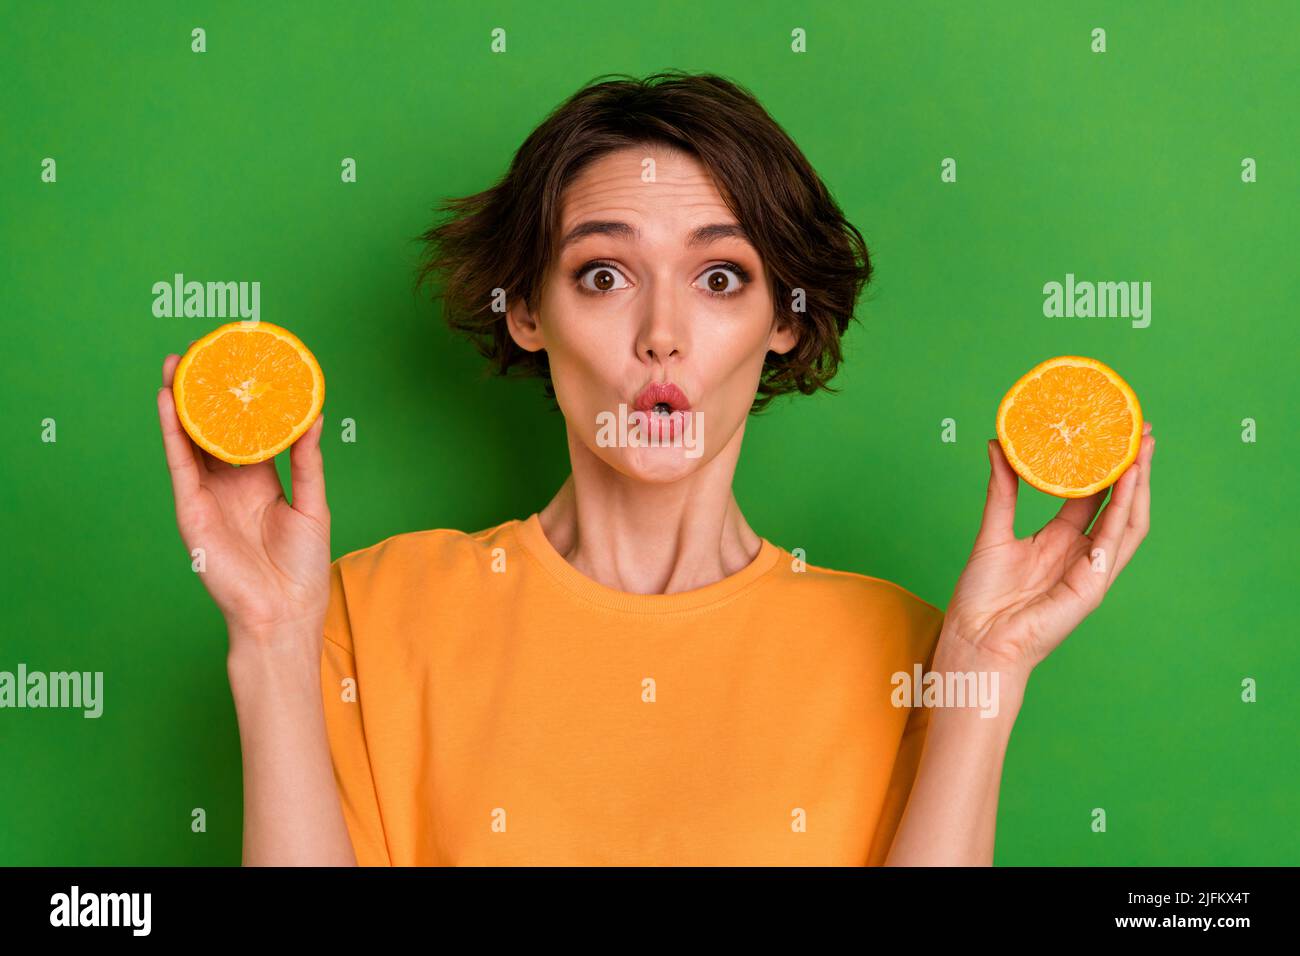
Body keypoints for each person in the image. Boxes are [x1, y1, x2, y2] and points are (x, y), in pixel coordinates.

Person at [156, 71, 1154, 866]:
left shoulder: (905, 650)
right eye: (603, 273)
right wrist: (274, 646)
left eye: (720, 277)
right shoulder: (363, 616)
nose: (661, 336)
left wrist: (983, 674)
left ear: (783, 321)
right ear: (528, 311)